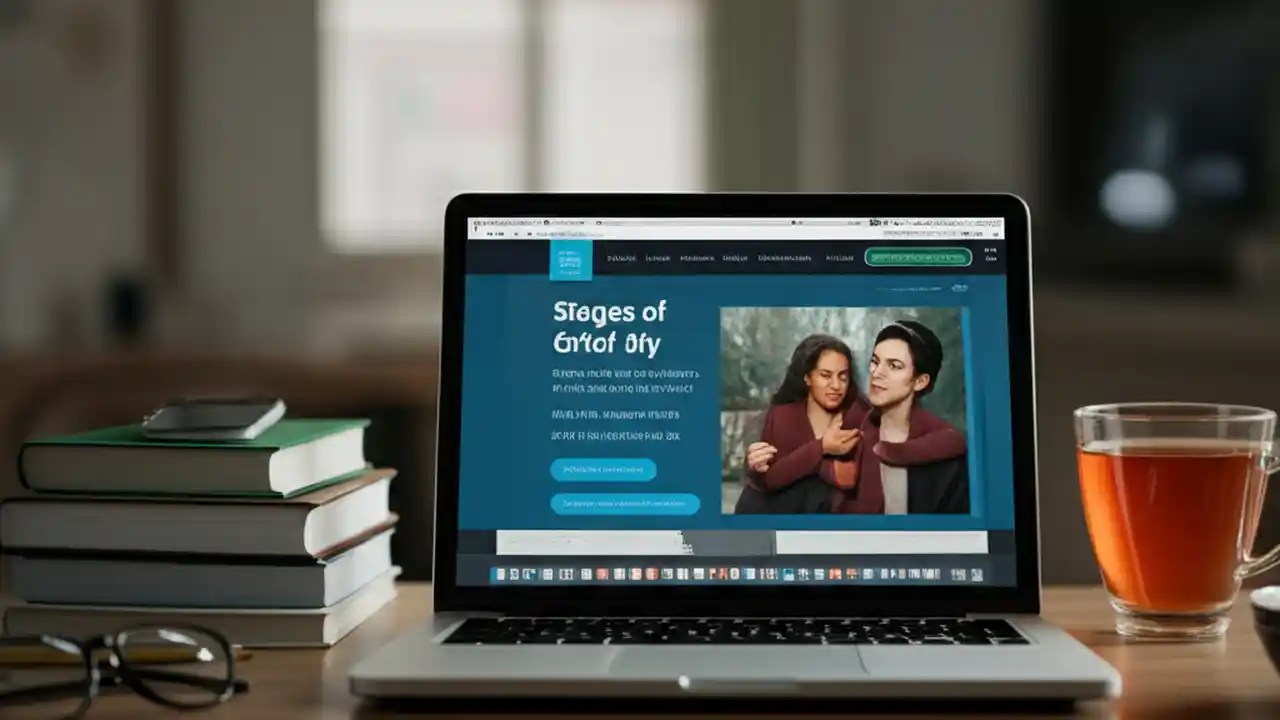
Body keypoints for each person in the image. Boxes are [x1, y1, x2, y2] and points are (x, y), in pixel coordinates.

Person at [736, 331, 965, 514]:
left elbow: (853, 481)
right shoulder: (783, 415)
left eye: (843, 376)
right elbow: (771, 479)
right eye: (825, 375)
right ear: (807, 377)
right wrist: (823, 454)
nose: (836, 385)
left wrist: (888, 451)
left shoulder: (862, 413)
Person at [859, 320, 969, 514]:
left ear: (920, 381)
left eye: (894, 366)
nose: (877, 373)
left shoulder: (947, 460)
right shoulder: (848, 439)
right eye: (875, 362)